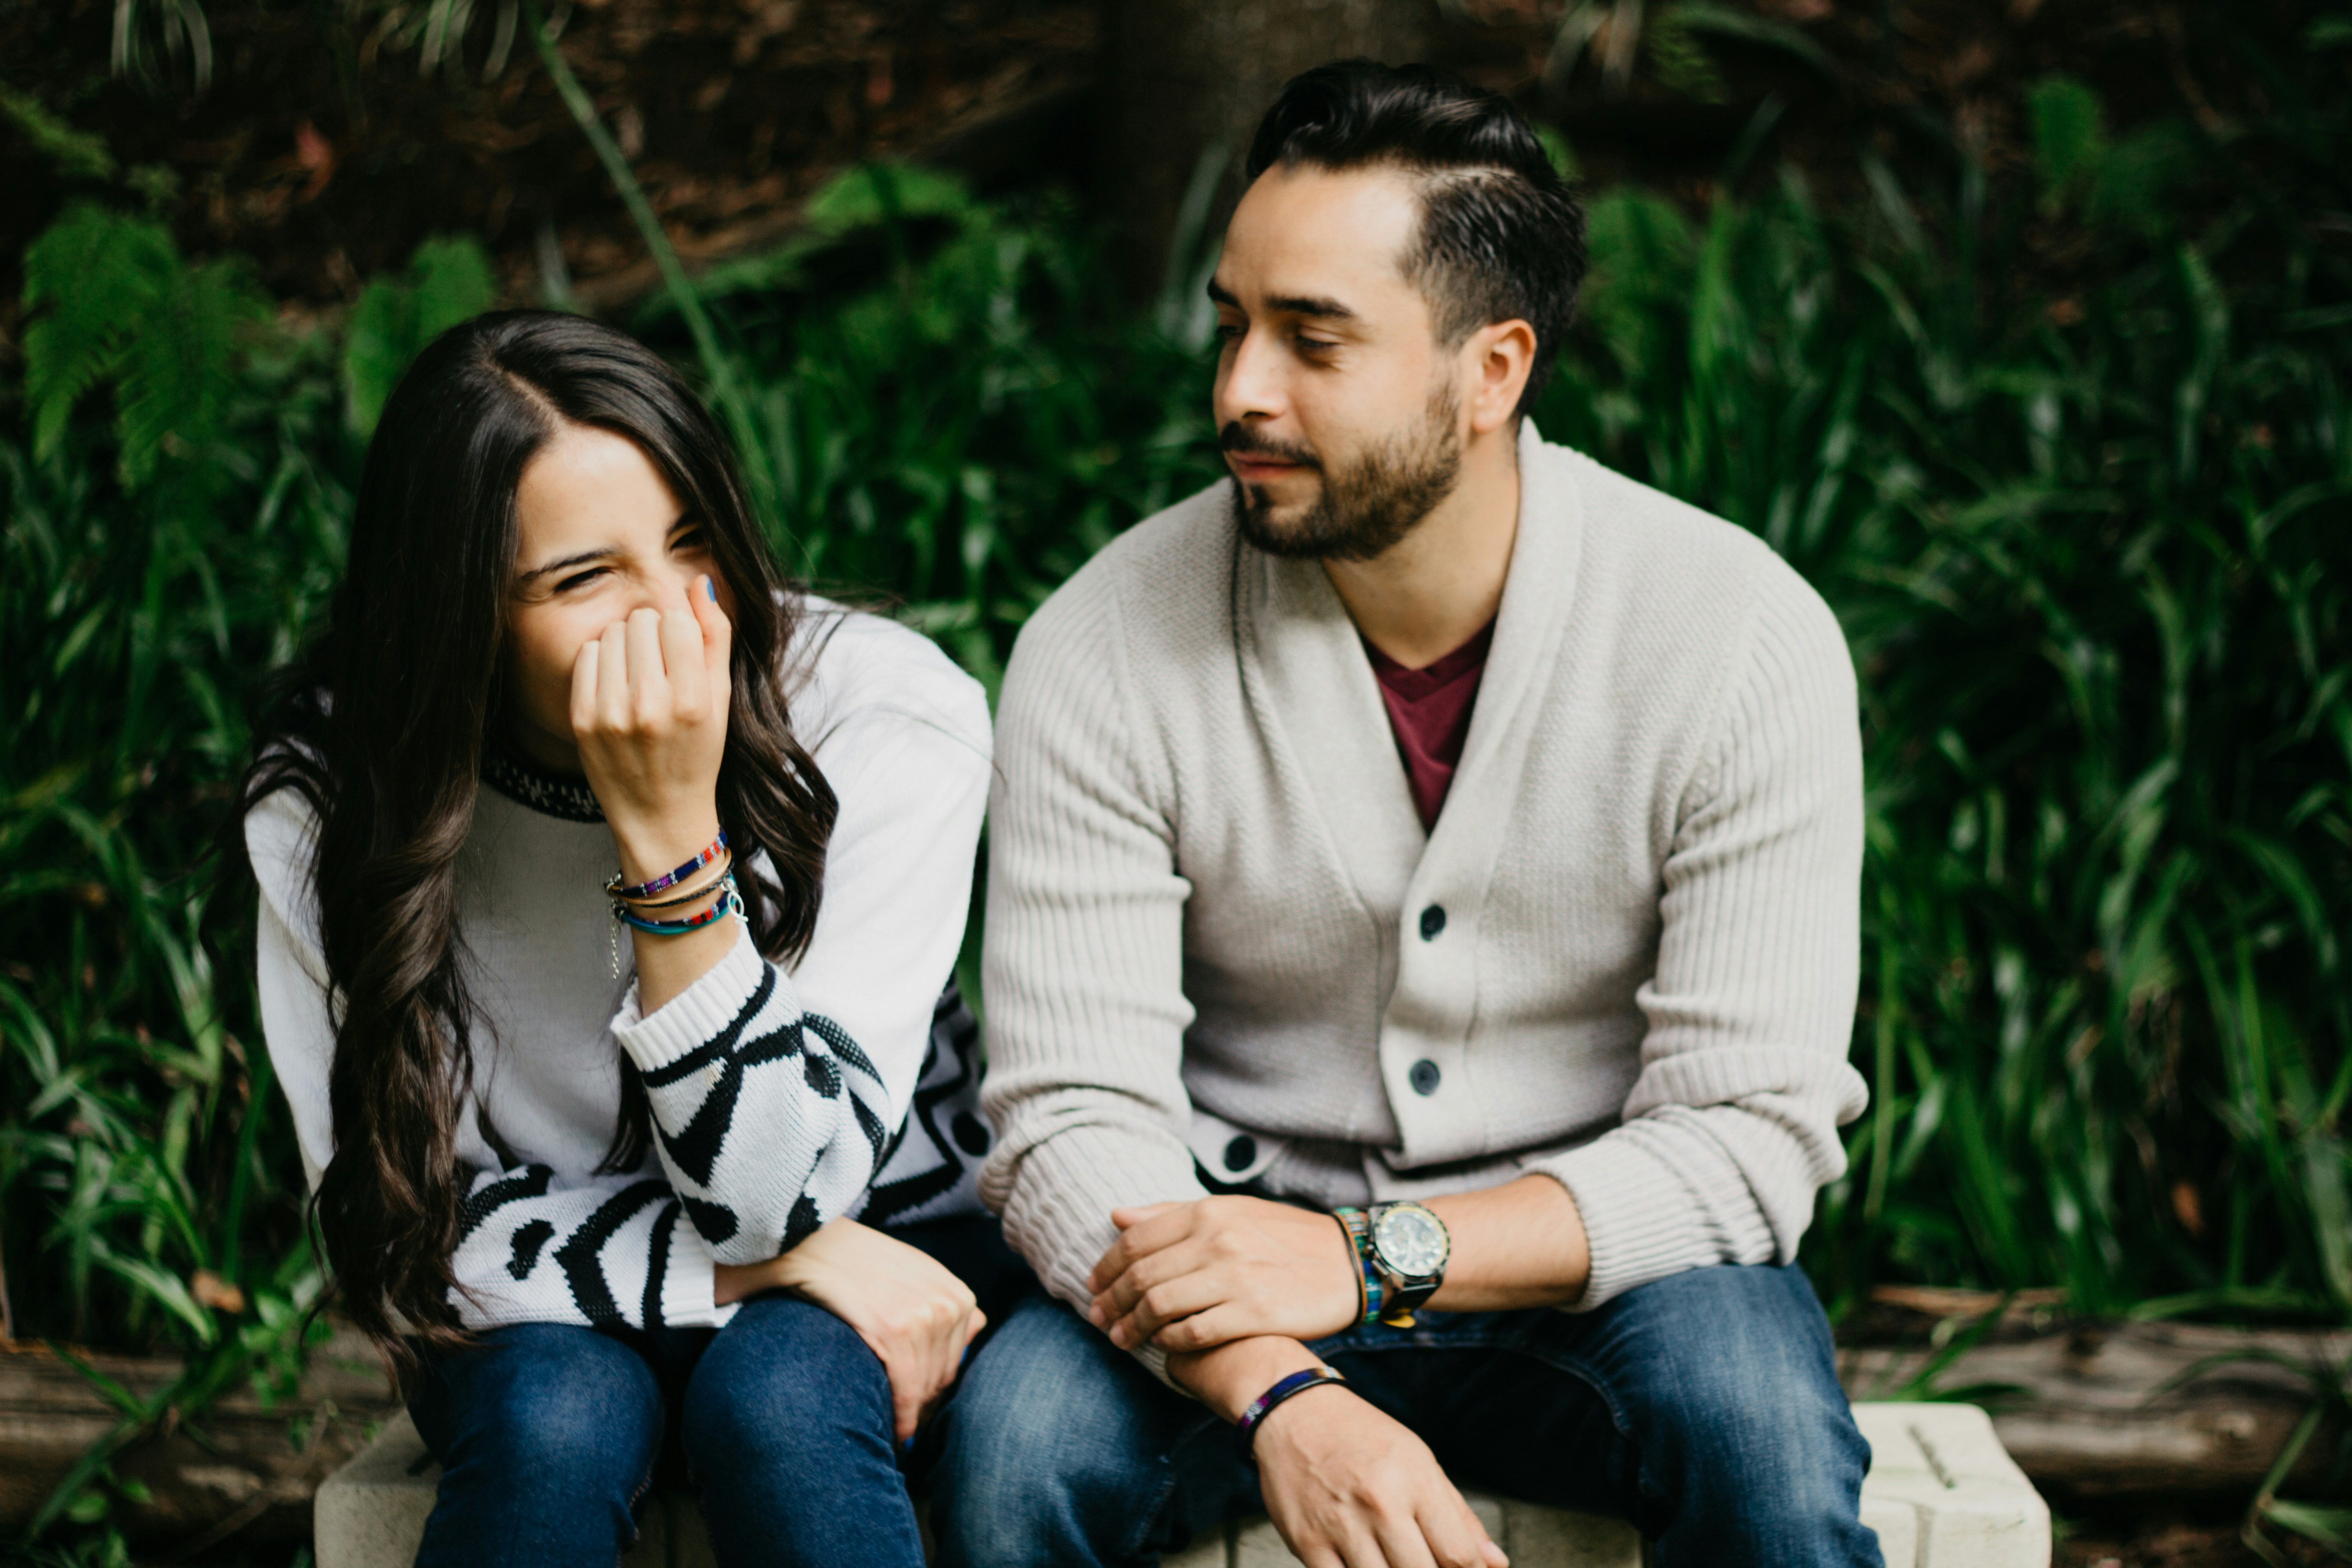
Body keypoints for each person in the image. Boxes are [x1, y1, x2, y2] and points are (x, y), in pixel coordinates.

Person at [946, 60, 1882, 1568]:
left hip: (1598, 1272)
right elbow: (1071, 1124)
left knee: (1764, 1440)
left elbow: (1745, 1143)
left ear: (1492, 371)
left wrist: (1367, 1262)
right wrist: (1281, 1392)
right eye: (1233, 323)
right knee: (1016, 1457)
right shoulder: (1105, 643)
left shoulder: (1739, 639)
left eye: (1313, 340)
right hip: (1215, 1269)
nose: (1239, 389)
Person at [241, 311, 1019, 1568]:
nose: (681, 622)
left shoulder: (885, 714)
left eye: (692, 540)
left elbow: (791, 1197)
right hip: (533, 1299)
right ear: (462, 615)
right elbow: (397, 1232)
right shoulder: (334, 795)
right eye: (583, 579)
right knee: (556, 1415)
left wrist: (669, 844)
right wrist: (734, 1279)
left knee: (778, 1403)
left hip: (883, 1236)